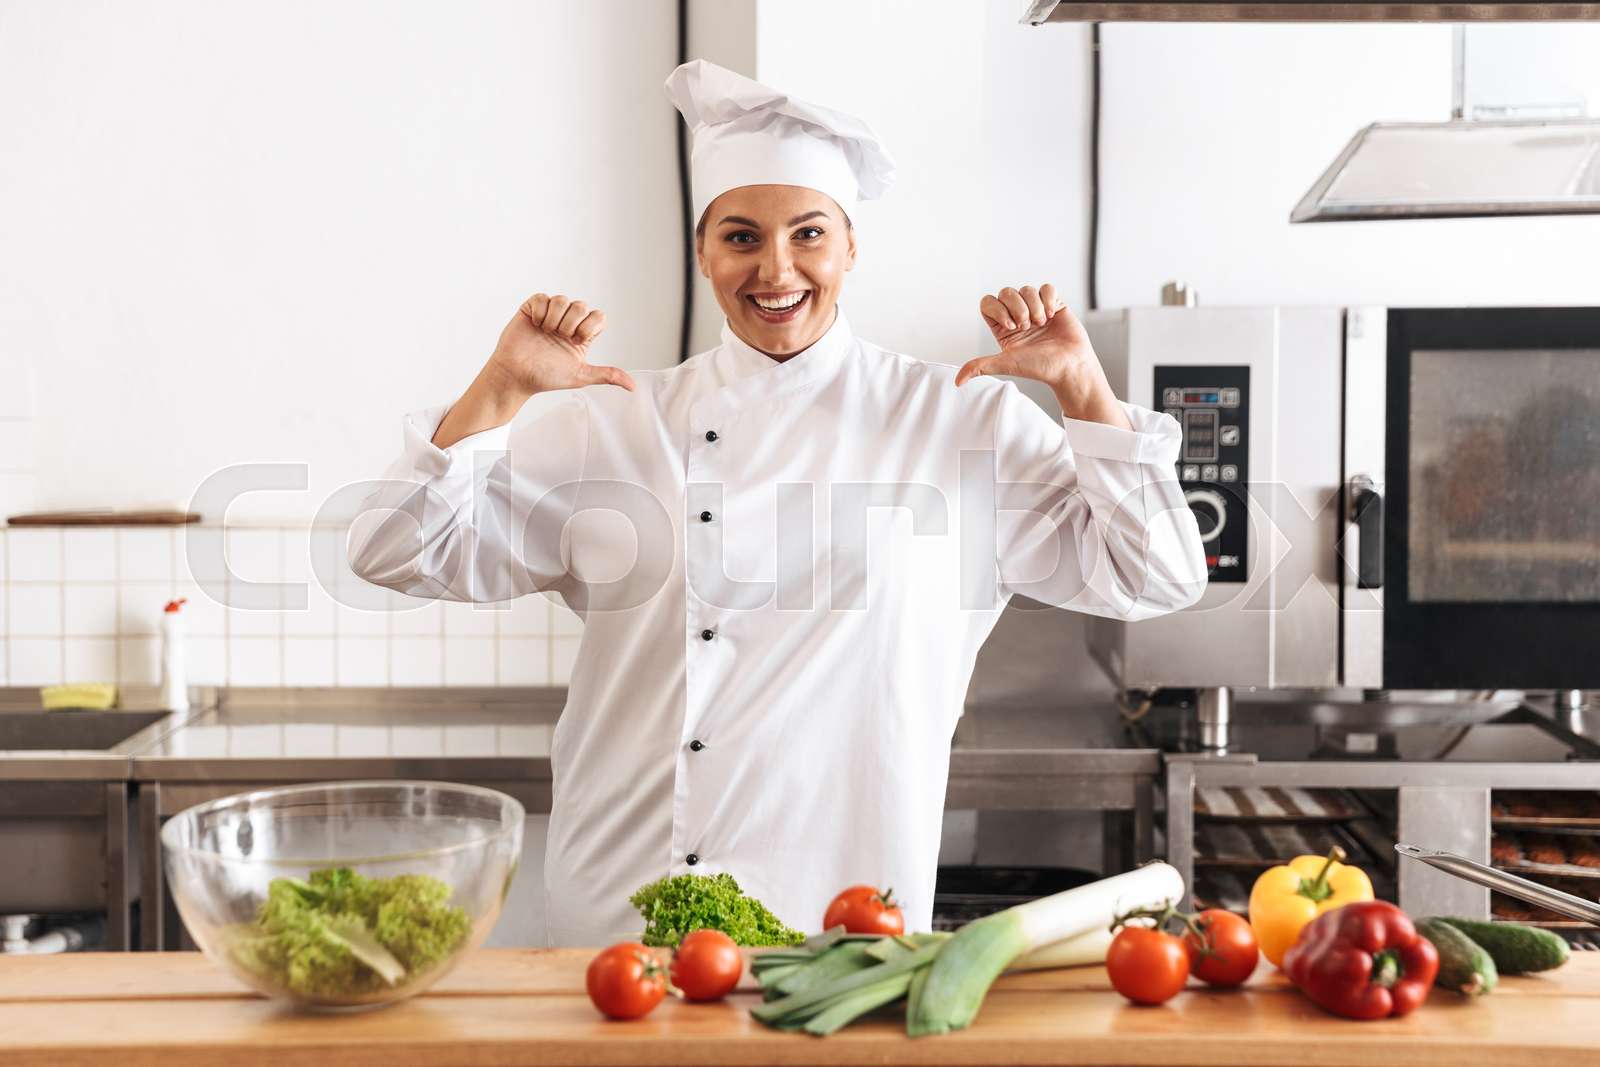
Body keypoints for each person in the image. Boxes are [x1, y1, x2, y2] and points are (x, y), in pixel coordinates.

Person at [348, 60, 1205, 946]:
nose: (776, 269)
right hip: (623, 892)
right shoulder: (615, 421)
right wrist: (498, 389)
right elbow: (391, 551)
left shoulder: (957, 418)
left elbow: (1157, 576)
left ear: (851, 246)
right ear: (703, 252)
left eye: (808, 234)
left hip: (846, 907)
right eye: (742, 237)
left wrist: (1083, 392)